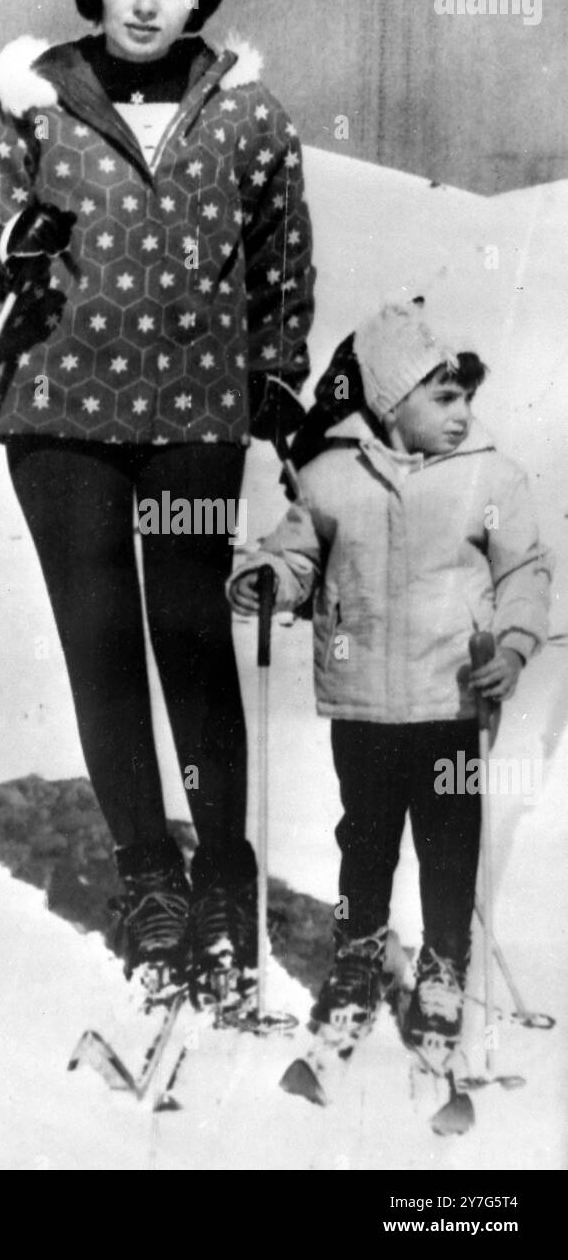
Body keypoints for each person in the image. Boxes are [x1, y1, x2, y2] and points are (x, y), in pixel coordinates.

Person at [0, 0, 315, 1004]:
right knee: (100, 638)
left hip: (195, 415)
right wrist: (10, 245)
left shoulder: (249, 114)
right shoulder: (31, 102)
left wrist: (276, 378)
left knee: (190, 632)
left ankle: (223, 865)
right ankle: (148, 871)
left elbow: (282, 265)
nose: (147, 3)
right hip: (58, 415)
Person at [228, 300, 550, 1069]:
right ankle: (358, 951)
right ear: (389, 404)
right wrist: (269, 578)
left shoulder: (491, 478)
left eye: (467, 397)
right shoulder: (332, 478)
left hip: (452, 702)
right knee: (364, 840)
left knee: (447, 841)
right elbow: (298, 553)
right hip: (364, 707)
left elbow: (524, 572)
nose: (463, 413)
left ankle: (443, 966)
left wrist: (511, 644)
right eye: (443, 398)